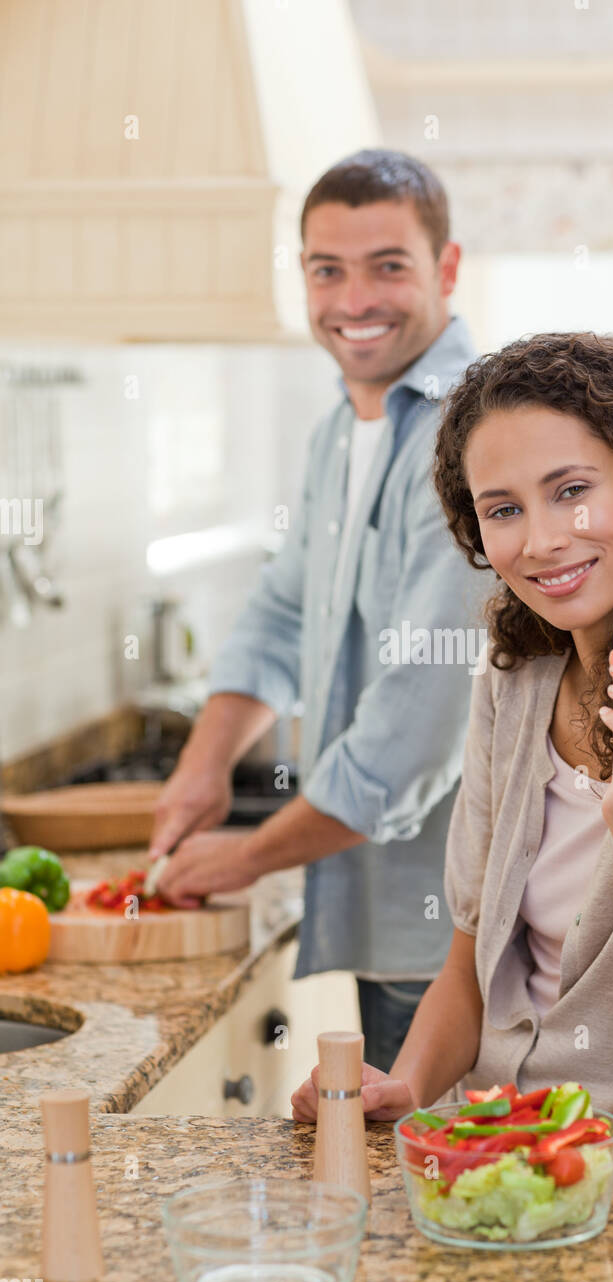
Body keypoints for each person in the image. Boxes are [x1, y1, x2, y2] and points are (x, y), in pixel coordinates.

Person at [291, 331, 613, 1133]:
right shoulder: (515, 678)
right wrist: (407, 1088)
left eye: (571, 490)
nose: (539, 541)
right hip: (500, 1151)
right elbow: (471, 967)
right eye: (503, 509)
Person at [151, 150, 493, 1071]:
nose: (355, 300)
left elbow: (415, 730)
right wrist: (204, 765)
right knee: (389, 1192)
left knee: (444, 1199)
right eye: (326, 269)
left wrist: (247, 857)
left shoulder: (475, 434)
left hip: (458, 933)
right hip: (375, 906)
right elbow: (283, 610)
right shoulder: (341, 428)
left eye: (388, 265)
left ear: (446, 269)